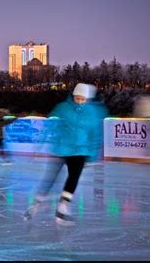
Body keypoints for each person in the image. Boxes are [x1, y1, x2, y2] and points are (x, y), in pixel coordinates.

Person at [23, 83, 108, 225]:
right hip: (61, 148)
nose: (80, 101)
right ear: (73, 96)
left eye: (83, 99)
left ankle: (62, 207)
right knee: (51, 177)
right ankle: (36, 204)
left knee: (73, 178)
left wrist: (92, 155)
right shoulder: (63, 108)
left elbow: (95, 135)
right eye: (77, 98)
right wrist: (40, 145)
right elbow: (49, 126)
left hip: (81, 150)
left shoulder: (91, 113)